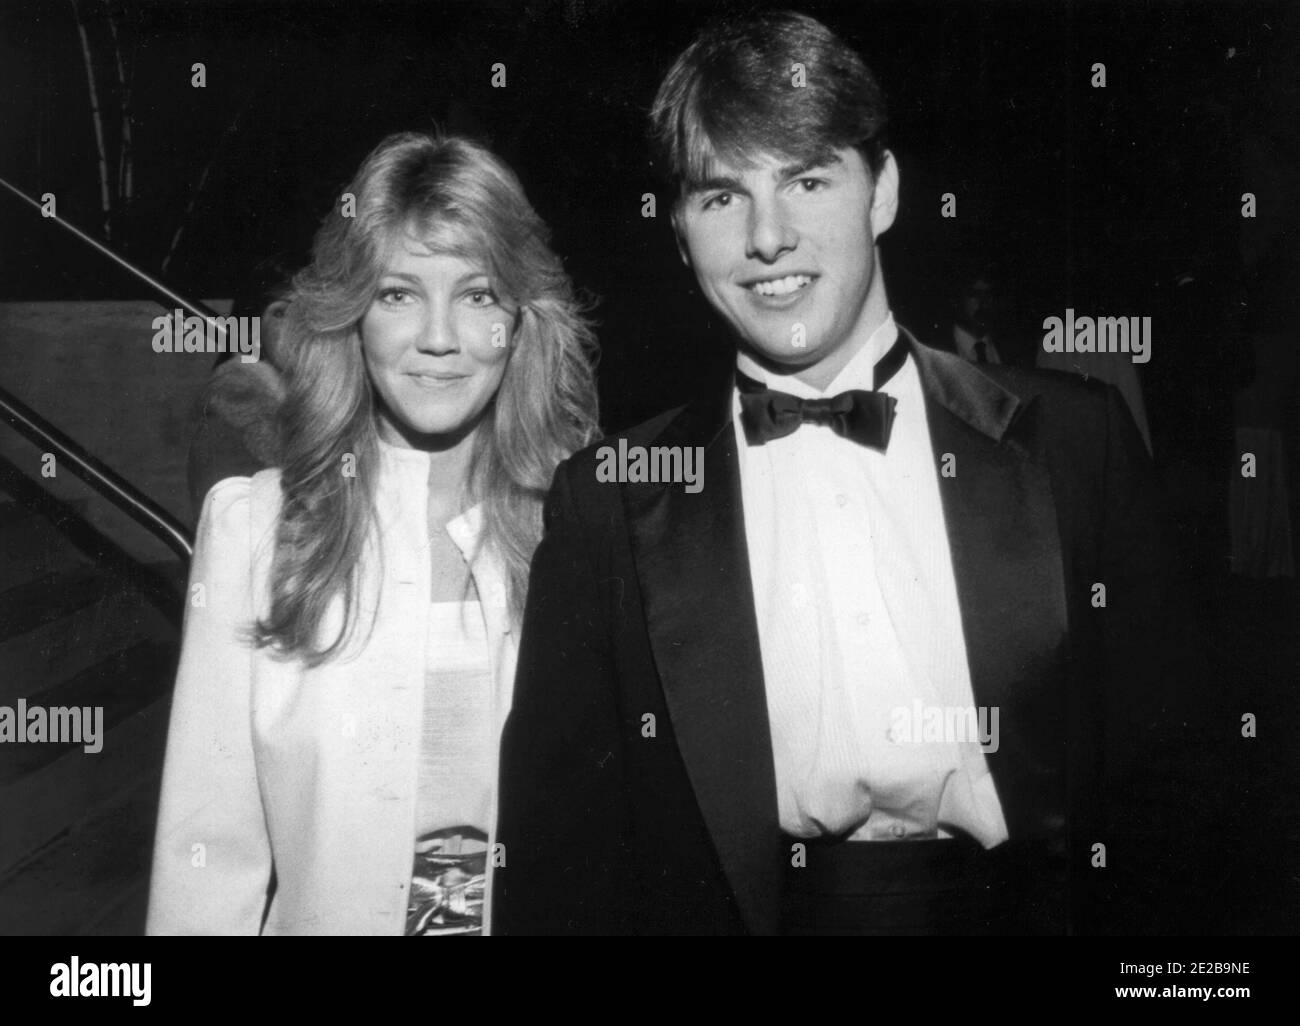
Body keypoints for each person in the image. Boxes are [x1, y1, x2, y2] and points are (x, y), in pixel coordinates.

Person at [494, 10, 1205, 935]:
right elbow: (561, 869)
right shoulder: (611, 503)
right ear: (678, 233)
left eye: (807, 179)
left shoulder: (1074, 441)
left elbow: (1186, 808)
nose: (768, 237)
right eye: (720, 197)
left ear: (882, 192)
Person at [147, 132, 600, 935]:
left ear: (522, 321)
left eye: (478, 294)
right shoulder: (255, 531)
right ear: (351, 314)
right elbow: (207, 859)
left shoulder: (586, 529)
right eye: (397, 293)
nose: (437, 336)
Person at [185, 256, 296, 519]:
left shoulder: (331, 408)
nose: (300, 325)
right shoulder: (227, 429)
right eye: (281, 312)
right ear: (253, 334)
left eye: (312, 310)